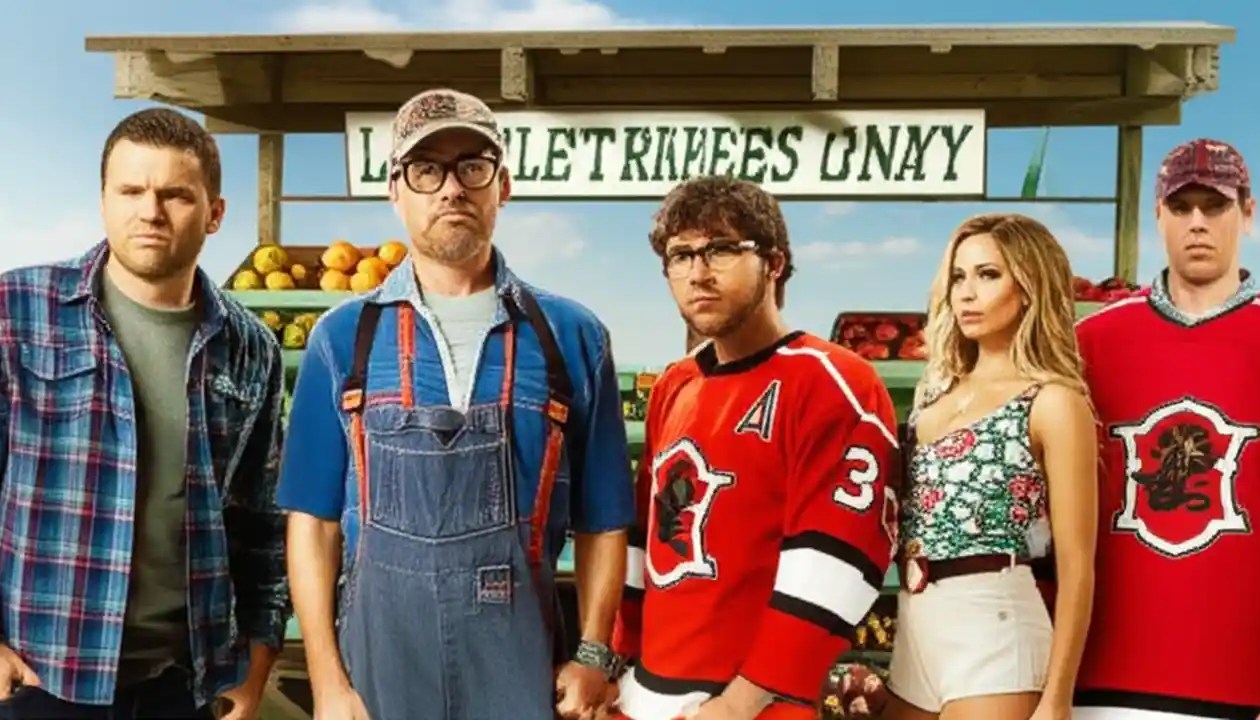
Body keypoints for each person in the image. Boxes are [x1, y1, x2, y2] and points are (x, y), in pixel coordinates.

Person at [276, 88, 635, 720]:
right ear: (396, 191)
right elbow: (313, 524)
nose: (451, 188)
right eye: (426, 169)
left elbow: (603, 519)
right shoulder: (341, 339)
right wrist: (328, 682)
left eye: (473, 166)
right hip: (377, 678)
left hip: (524, 674)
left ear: (504, 185)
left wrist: (594, 654)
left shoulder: (573, 336)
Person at [0, 108, 290, 719]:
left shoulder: (250, 346)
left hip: (184, 683)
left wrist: (258, 655)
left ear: (214, 213)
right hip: (38, 674)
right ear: (104, 200)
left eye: (175, 195)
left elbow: (263, 523)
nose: (150, 211)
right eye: (130, 190)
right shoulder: (15, 312)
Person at [607, 176, 900, 720]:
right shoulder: (675, 384)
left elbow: (841, 559)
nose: (698, 272)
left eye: (721, 249)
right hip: (646, 690)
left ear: (775, 263)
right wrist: (614, 663)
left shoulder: (835, 381)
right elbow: (644, 540)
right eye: (681, 255)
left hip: (753, 705)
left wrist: (743, 701)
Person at [1074, 139, 1260, 720]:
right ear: (1158, 215)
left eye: (1214, 206)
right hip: (1102, 684)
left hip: (1247, 690)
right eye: (1181, 205)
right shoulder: (1089, 344)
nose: (1197, 222)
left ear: (1248, 213)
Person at [882, 213, 1098, 720]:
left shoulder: (1052, 401)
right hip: (915, 630)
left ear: (1028, 287)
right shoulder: (931, 395)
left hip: (997, 631)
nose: (967, 293)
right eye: (959, 277)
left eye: (988, 275)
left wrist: (1058, 697)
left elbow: (1078, 565)